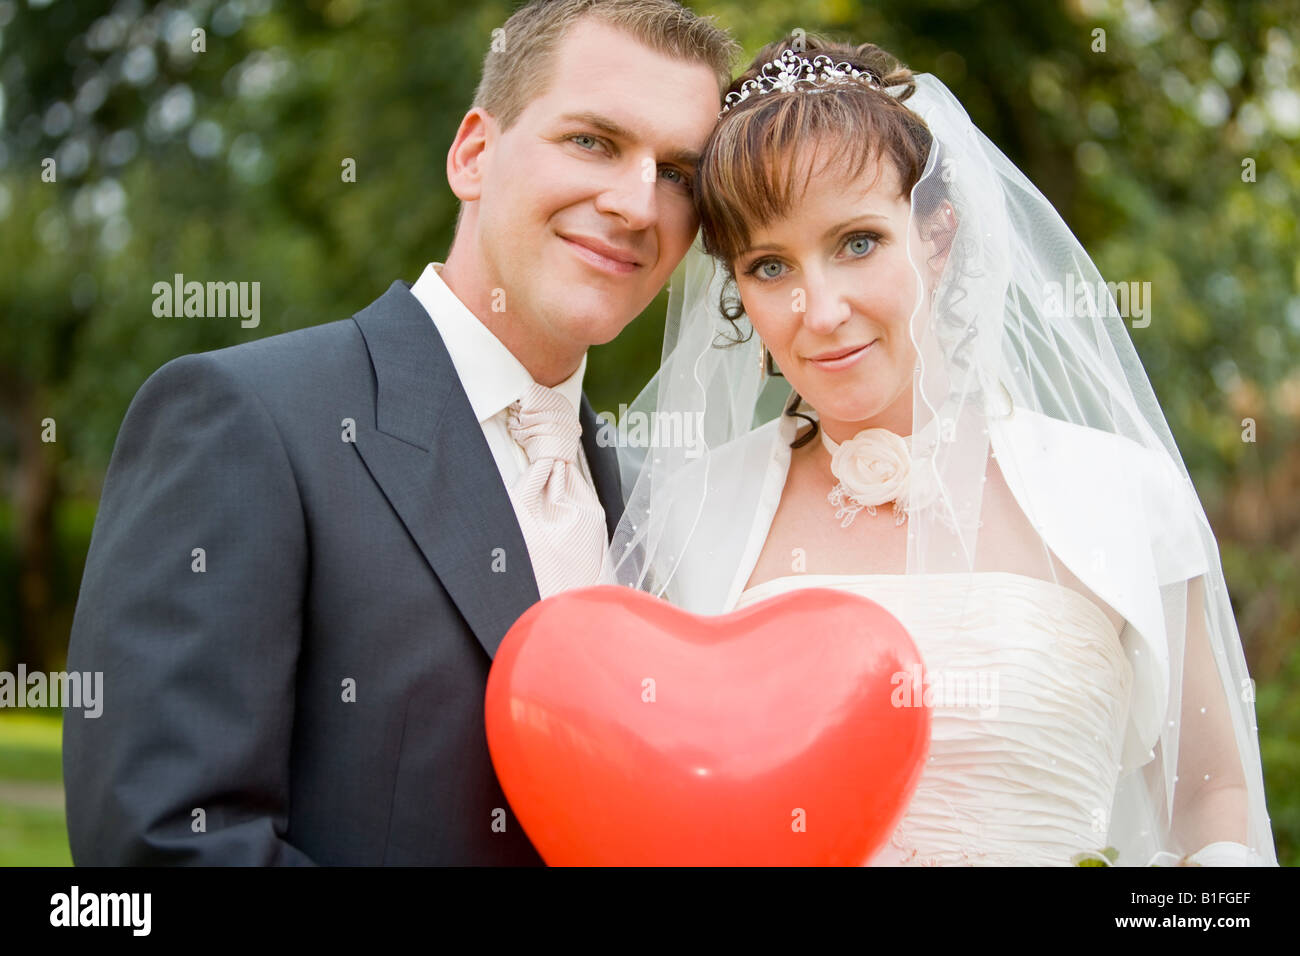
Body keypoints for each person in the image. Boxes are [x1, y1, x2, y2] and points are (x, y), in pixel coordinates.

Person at [62, 0, 736, 865]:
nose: (638, 204)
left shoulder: (652, 503)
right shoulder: (244, 422)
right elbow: (160, 847)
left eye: (678, 173)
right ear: (474, 155)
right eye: (593, 142)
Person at [605, 34, 1278, 866]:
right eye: (770, 266)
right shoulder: (690, 515)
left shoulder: (1122, 496)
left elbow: (1211, 793)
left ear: (938, 236)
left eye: (857, 243)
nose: (819, 311)